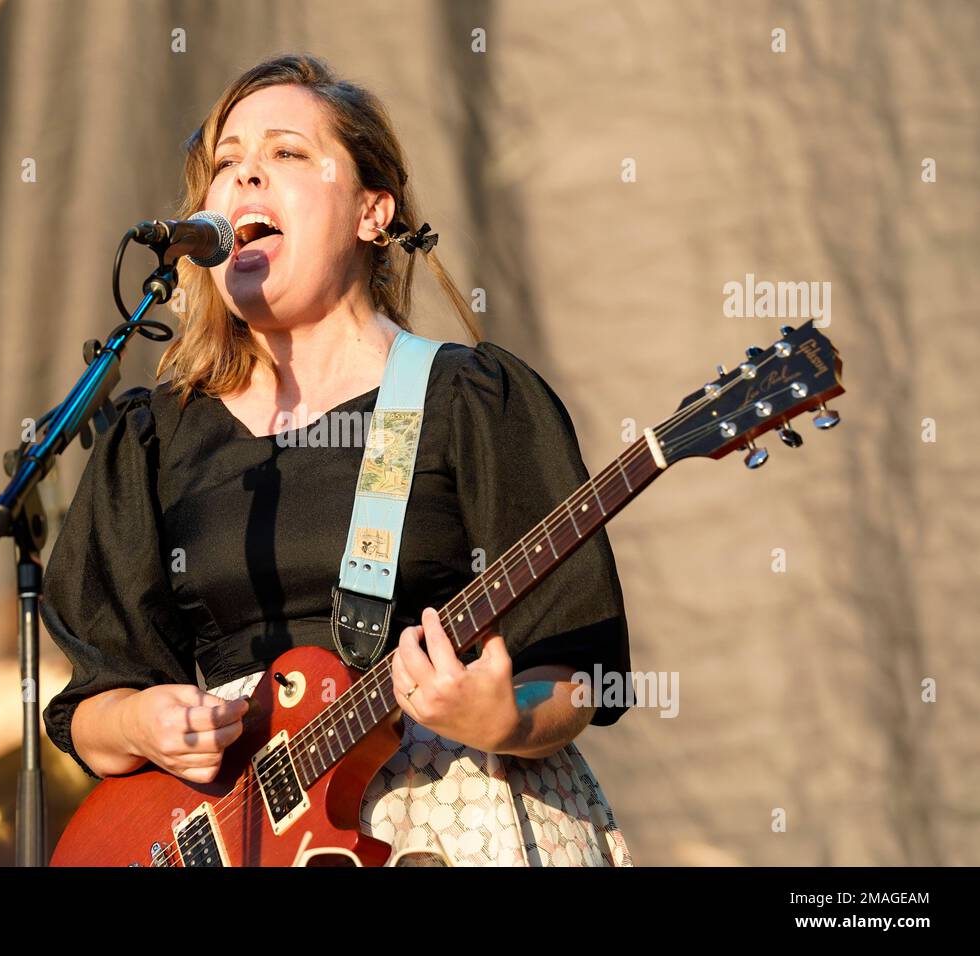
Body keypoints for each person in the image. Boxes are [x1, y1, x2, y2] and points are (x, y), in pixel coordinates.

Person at [41, 53, 634, 867]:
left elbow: (575, 674)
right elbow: (92, 710)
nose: (246, 175)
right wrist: (142, 724)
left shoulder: (471, 399)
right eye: (225, 163)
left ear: (371, 212)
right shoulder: (154, 436)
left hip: (447, 818)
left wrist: (504, 719)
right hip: (238, 837)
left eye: (286, 152)